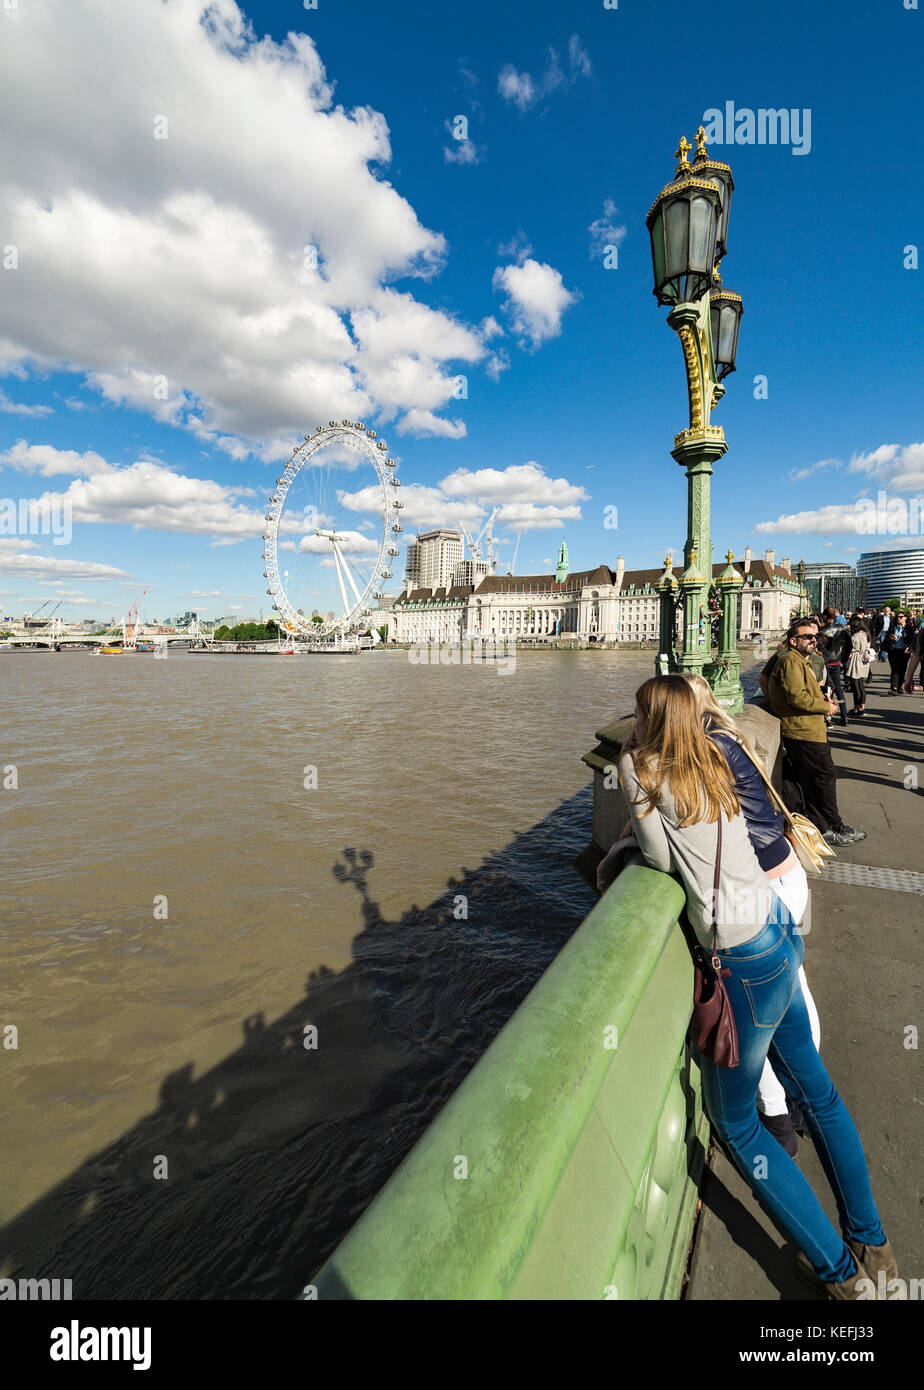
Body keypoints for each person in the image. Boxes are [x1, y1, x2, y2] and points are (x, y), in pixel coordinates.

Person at [617, 674, 898, 1299]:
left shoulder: (638, 767)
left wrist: (629, 792)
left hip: (739, 960)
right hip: (778, 929)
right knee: (819, 1096)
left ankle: (839, 1273)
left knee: (736, 1122)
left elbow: (661, 862)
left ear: (649, 717)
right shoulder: (718, 753)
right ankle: (873, 1245)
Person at [682, 673, 821, 1156]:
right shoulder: (729, 737)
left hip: (762, 888)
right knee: (795, 988)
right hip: (787, 870)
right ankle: (804, 1102)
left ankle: (777, 1119)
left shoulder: (705, 754)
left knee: (750, 1016)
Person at [767, 619, 866, 846]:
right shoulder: (791, 661)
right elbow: (797, 698)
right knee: (824, 778)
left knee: (812, 780)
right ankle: (833, 826)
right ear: (793, 641)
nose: (814, 640)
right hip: (804, 731)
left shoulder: (799, 660)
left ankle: (823, 825)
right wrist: (827, 707)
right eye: (808, 636)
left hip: (808, 729)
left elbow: (801, 692)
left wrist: (821, 698)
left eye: (815, 636)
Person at [818, 607, 850, 727]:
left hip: (825, 663)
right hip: (836, 661)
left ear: (825, 616)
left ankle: (828, 717)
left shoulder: (821, 631)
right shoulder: (842, 628)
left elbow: (820, 647)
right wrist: (844, 657)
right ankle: (844, 716)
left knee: (826, 690)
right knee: (838, 689)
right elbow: (849, 644)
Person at [845, 615, 873, 716]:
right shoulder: (865, 633)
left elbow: (852, 646)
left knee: (856, 685)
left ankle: (857, 708)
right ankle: (862, 707)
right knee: (861, 685)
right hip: (864, 660)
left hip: (857, 659)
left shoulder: (856, 635)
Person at [887, 613, 912, 694]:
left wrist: (908, 647)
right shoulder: (893, 627)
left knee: (902, 669)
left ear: (905, 618)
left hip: (904, 651)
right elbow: (887, 637)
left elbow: (912, 640)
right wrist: (891, 637)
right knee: (895, 669)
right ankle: (893, 688)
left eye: (901, 617)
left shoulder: (909, 628)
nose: (899, 618)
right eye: (897, 617)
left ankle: (899, 687)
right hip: (894, 650)